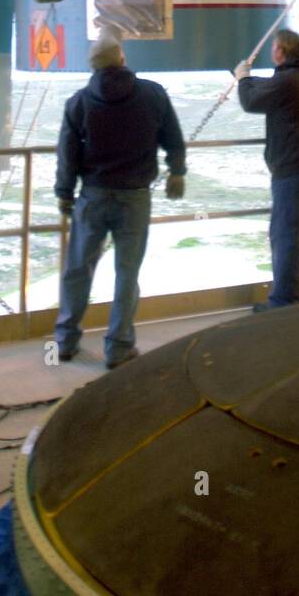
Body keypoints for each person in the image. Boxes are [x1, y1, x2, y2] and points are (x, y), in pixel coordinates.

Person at [54, 32, 186, 369]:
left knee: (78, 269)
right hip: (135, 198)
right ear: (122, 58)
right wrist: (177, 171)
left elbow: (67, 154)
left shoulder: (80, 102)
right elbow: (172, 136)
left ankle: (66, 341)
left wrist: (64, 193)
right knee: (127, 273)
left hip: (93, 197)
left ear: (93, 67)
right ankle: (118, 348)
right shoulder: (153, 94)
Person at [235, 28, 299, 308]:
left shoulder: (289, 81)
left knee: (287, 235)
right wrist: (249, 79)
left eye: (274, 47)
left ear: (280, 51)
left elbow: (251, 100)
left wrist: (242, 78)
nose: (272, 51)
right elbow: (266, 90)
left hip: (296, 170)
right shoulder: (297, 77)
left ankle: (283, 302)